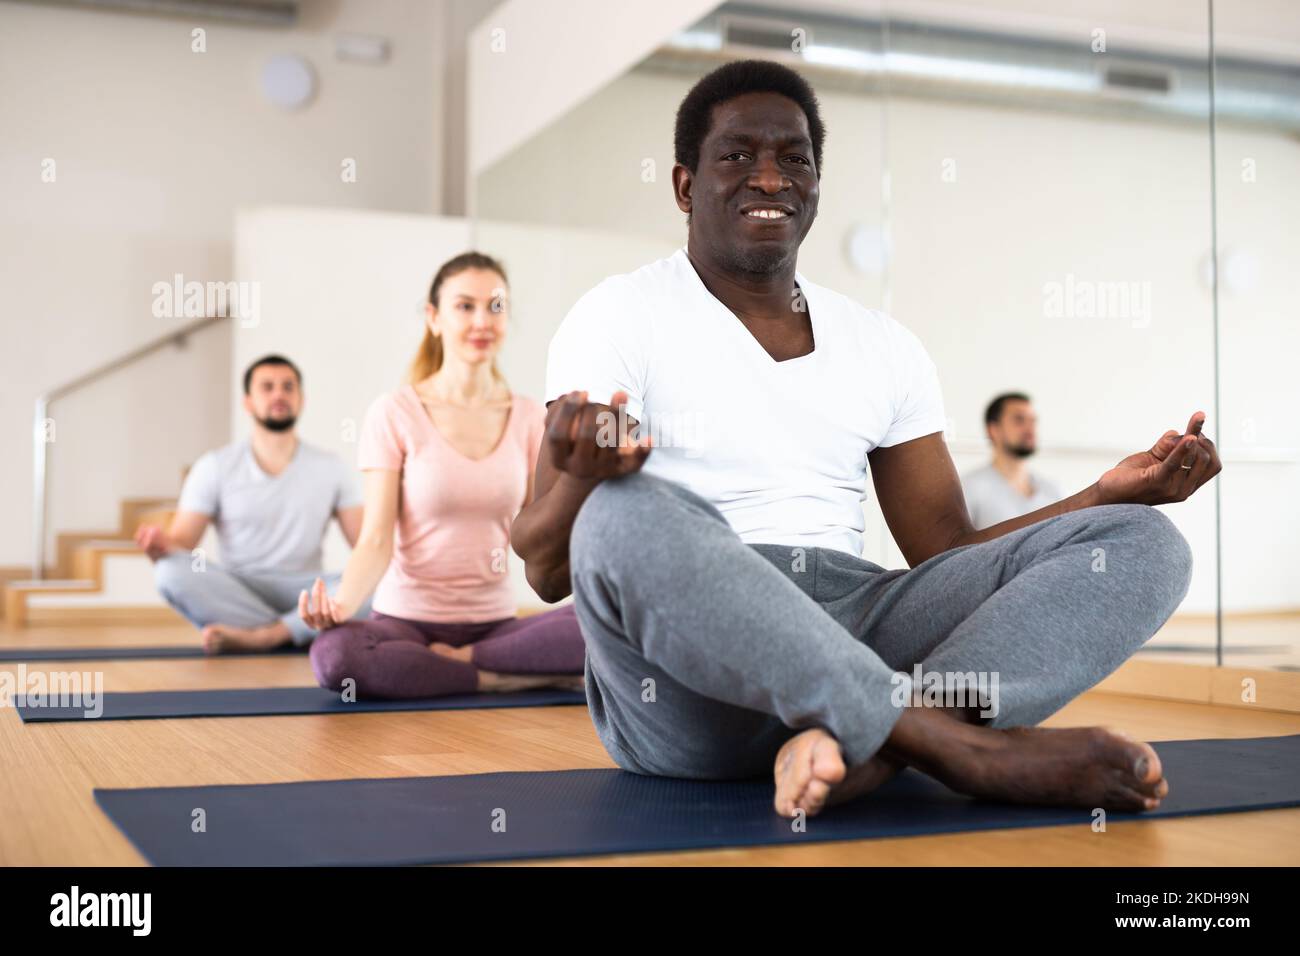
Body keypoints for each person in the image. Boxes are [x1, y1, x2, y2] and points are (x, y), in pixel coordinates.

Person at [511, 59, 1221, 820]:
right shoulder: (618, 315)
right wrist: (587, 476)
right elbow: (549, 571)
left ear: (817, 183)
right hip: (696, 693)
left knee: (1144, 540)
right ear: (686, 186)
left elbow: (948, 550)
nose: (772, 178)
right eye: (738, 155)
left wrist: (1099, 498)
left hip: (863, 622)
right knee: (623, 514)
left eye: (794, 158)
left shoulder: (884, 345)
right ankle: (962, 746)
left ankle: (878, 743)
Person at [300, 253, 585, 699]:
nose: (481, 321)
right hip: (405, 624)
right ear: (434, 318)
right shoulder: (394, 413)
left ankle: (465, 664)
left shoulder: (532, 417)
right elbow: (375, 539)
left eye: (495, 306)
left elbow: (538, 534)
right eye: (464, 306)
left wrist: (585, 476)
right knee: (336, 657)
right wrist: (342, 604)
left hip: (494, 628)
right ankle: (499, 678)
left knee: (610, 626)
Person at [136, 354, 370, 654]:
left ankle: (267, 636)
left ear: (301, 399)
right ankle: (302, 631)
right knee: (170, 571)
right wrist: (160, 547)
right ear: (248, 401)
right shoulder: (215, 466)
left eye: (288, 387)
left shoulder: (331, 467)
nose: (279, 394)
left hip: (310, 591)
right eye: (267, 387)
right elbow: (182, 542)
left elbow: (365, 547)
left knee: (383, 579)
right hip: (240, 587)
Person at [961, 392, 1062, 529]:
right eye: (1019, 420)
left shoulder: (1053, 490)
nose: (1030, 428)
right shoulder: (970, 489)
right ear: (993, 430)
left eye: (1033, 421)